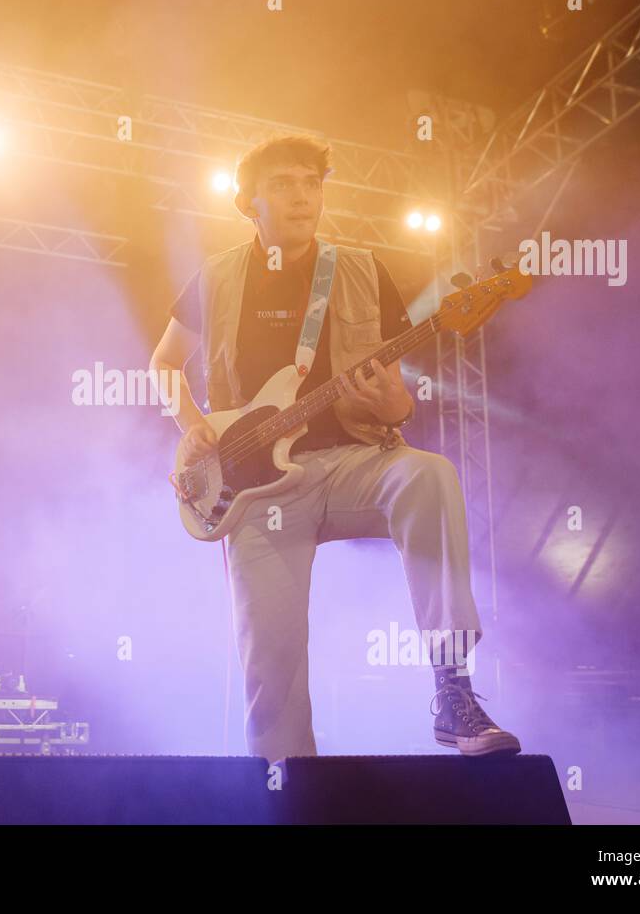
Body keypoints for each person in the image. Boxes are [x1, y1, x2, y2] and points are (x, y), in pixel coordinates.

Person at [150, 133, 520, 760]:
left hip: (354, 463)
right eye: (284, 185)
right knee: (272, 661)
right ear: (249, 203)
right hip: (255, 491)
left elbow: (399, 404)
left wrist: (391, 406)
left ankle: (454, 692)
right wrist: (191, 424)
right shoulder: (214, 277)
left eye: (312, 183)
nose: (303, 196)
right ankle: (288, 784)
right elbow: (163, 362)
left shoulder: (360, 269)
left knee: (427, 475)